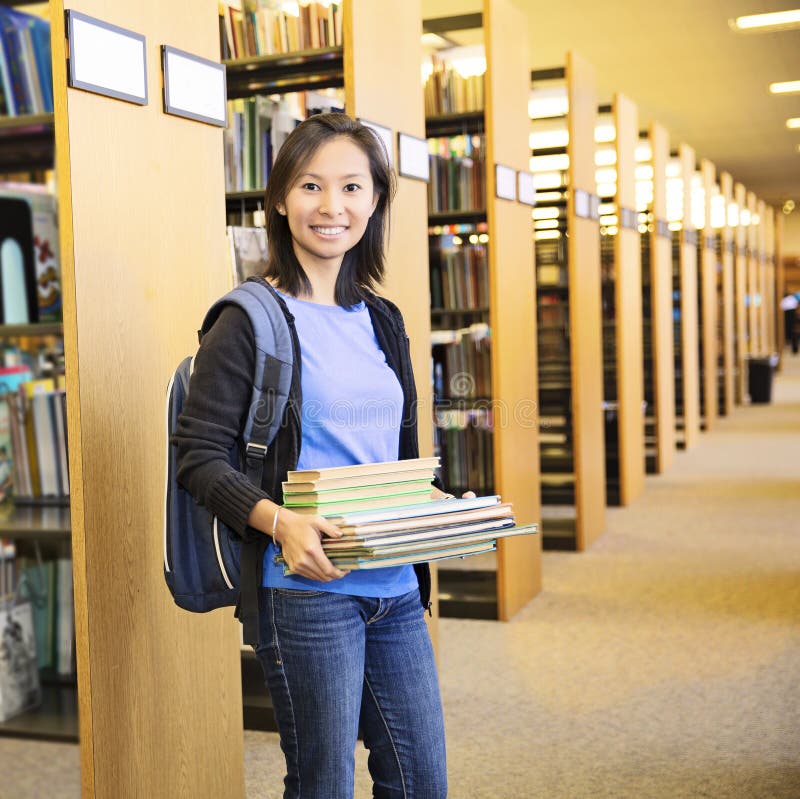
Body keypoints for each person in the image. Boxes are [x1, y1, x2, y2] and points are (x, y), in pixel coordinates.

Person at [173, 113, 449, 799]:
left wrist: (434, 505)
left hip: (395, 587)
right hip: (305, 590)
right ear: (277, 199)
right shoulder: (248, 319)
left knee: (421, 783)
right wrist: (280, 521)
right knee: (323, 784)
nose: (332, 207)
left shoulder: (383, 318)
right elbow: (199, 455)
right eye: (310, 186)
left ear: (376, 199)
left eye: (352, 187)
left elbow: (402, 448)